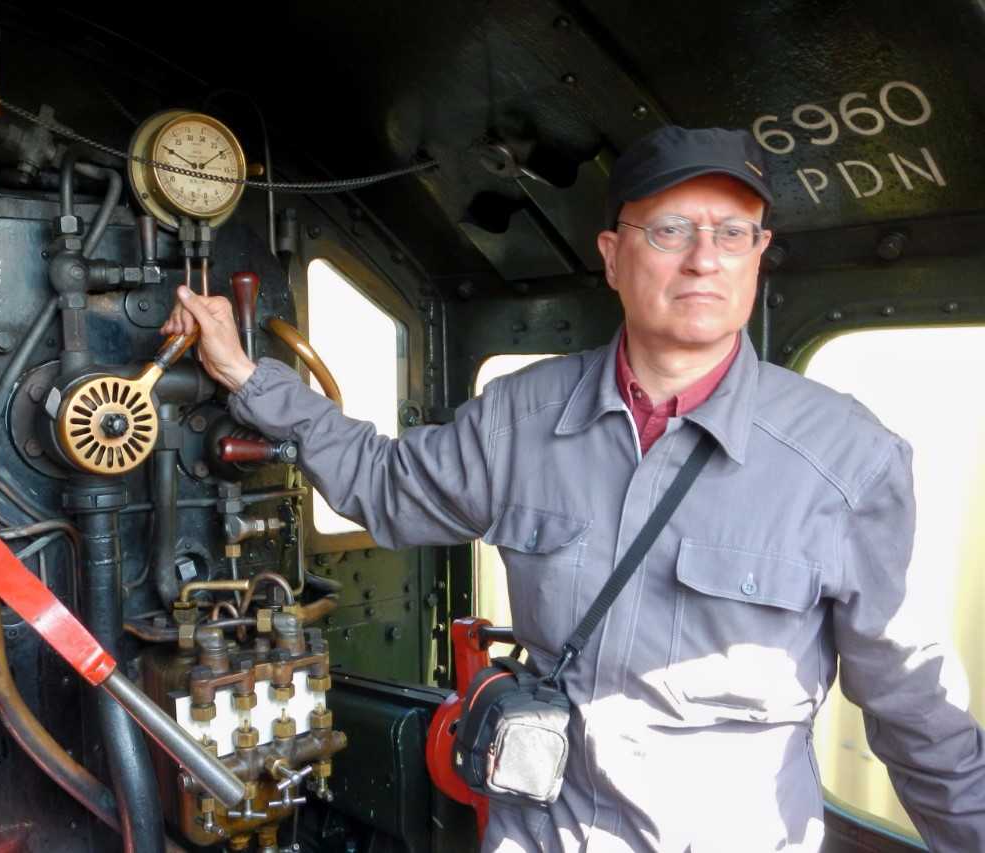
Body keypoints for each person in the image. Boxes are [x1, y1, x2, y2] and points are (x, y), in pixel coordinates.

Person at [160, 126, 985, 852]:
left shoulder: (848, 457)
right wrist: (245, 374)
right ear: (613, 255)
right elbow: (384, 482)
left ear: (758, 254)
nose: (705, 257)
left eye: (733, 233)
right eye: (670, 230)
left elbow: (916, 707)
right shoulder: (521, 417)